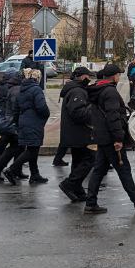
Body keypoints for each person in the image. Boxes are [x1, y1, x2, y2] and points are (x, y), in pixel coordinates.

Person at [84, 64, 135, 215]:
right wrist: (118, 138)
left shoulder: (98, 89)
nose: (119, 77)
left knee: (98, 170)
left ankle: (90, 203)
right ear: (114, 76)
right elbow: (113, 117)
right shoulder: (110, 91)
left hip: (102, 136)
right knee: (124, 171)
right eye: (118, 74)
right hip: (111, 139)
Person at [4, 68, 50, 184]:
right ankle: (11, 170)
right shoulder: (36, 90)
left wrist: (17, 122)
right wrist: (46, 114)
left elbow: (16, 108)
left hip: (23, 122)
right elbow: (41, 107)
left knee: (32, 149)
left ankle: (35, 174)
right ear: (38, 78)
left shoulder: (22, 89)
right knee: (32, 151)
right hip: (34, 122)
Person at [57, 67, 95, 203]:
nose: (89, 79)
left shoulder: (75, 89)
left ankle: (77, 190)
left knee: (78, 161)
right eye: (88, 76)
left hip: (74, 133)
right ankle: (69, 184)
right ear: (82, 77)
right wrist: (93, 109)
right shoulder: (77, 91)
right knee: (90, 158)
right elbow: (78, 113)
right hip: (79, 133)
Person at [0, 68, 25, 180]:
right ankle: (0, 166)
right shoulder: (8, 87)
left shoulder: (5, 86)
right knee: (15, 143)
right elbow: (11, 103)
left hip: (5, 117)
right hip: (7, 118)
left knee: (7, 142)